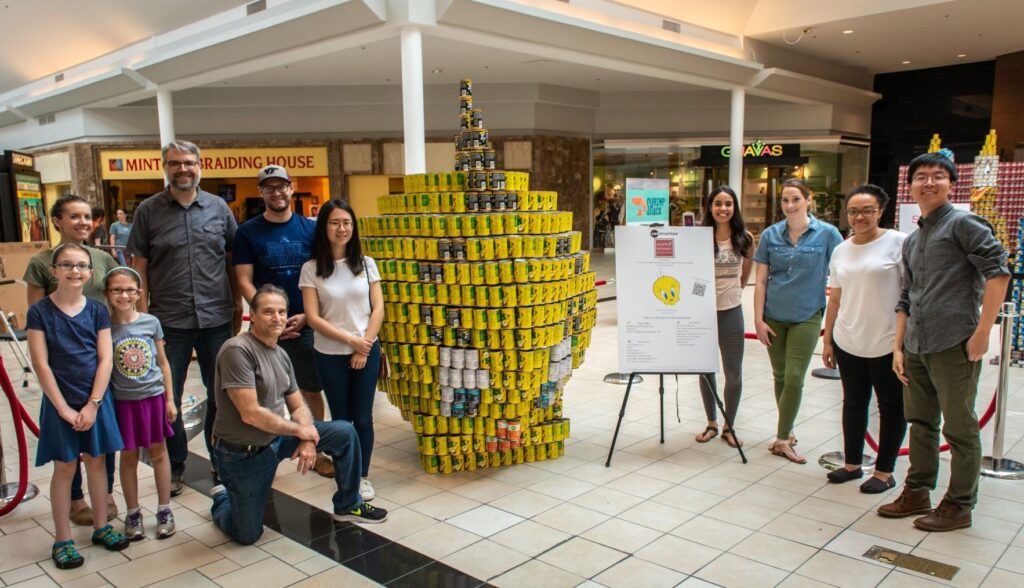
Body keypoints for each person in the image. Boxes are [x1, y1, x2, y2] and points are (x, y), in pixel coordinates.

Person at [879, 152, 1009, 531]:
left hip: (955, 342)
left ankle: (959, 504)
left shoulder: (964, 223)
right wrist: (899, 347)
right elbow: (908, 295)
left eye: (938, 176)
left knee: (959, 428)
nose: (929, 183)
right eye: (921, 177)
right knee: (920, 422)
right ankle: (917, 491)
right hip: (917, 344)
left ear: (952, 184)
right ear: (911, 185)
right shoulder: (915, 238)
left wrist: (983, 332)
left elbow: (998, 273)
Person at [209, 284, 387, 545]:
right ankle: (224, 497)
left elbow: (298, 405)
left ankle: (348, 505)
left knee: (344, 433)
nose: (277, 318)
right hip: (242, 453)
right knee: (246, 534)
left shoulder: (280, 354)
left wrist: (306, 437)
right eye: (268, 311)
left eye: (281, 311)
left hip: (275, 440)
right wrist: (299, 431)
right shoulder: (237, 350)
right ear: (253, 316)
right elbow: (250, 414)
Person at [126, 140, 243, 496]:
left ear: (199, 166)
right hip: (168, 322)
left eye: (189, 162)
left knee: (221, 395)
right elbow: (139, 267)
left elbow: (231, 260)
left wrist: (237, 306)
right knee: (168, 396)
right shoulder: (148, 211)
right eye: (175, 163)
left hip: (215, 318)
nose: (182, 169)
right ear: (165, 167)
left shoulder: (219, 208)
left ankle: (220, 462)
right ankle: (175, 465)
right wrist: (141, 317)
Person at [26, 244, 130, 569]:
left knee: (98, 462)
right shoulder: (40, 312)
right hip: (60, 404)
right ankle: (62, 539)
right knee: (65, 468)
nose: (74, 271)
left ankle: (101, 526)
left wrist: (94, 404)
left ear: (90, 273)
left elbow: (105, 359)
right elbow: (41, 364)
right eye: (67, 265)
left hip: (95, 402)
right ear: (53, 271)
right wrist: (63, 409)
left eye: (81, 266)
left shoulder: (98, 311)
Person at [23, 194, 119, 526]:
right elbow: (36, 320)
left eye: (86, 216)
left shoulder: (102, 259)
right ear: (57, 221)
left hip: (97, 361)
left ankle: (104, 497)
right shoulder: (40, 263)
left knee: (100, 444)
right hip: (63, 365)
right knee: (66, 457)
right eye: (73, 216)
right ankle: (76, 501)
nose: (82, 222)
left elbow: (115, 300)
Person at [233, 165, 333, 478]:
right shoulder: (247, 232)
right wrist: (267, 314)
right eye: (269, 187)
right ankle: (263, 455)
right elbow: (244, 279)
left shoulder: (310, 229)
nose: (276, 192)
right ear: (261, 192)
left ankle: (315, 448)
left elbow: (322, 275)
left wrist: (307, 315)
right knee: (263, 395)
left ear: (292, 188)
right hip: (264, 330)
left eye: (281, 186)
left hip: (303, 324)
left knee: (311, 391)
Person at [821, 185, 907, 493]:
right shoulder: (841, 250)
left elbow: (909, 296)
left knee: (891, 406)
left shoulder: (899, 243)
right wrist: (828, 339)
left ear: (881, 211)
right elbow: (835, 299)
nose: (860, 217)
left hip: (886, 341)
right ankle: (852, 465)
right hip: (849, 338)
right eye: (854, 211)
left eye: (867, 210)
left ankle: (885, 472)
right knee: (853, 402)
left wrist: (901, 343)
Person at [754, 178, 843, 464]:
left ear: (808, 199)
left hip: (807, 315)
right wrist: (758, 319)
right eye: (785, 200)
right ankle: (787, 431)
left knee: (794, 376)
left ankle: (781, 439)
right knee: (780, 376)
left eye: (795, 199)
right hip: (773, 317)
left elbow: (843, 276)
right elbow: (761, 281)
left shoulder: (827, 234)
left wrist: (835, 320)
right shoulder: (770, 235)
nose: (790, 205)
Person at [300, 200, 383, 502]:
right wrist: (351, 342)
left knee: (363, 418)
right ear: (324, 227)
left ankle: (361, 476)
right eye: (335, 222)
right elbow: (313, 318)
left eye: (347, 222)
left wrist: (365, 345)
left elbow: (378, 309)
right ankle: (346, 472)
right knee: (341, 420)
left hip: (367, 349)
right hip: (330, 353)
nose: (342, 228)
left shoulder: (366, 263)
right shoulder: (311, 269)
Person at [105, 267, 178, 540]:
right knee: (129, 456)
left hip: (153, 398)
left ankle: (164, 509)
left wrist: (170, 399)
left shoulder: (150, 322)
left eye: (129, 290)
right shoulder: (105, 327)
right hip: (123, 402)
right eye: (117, 290)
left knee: (159, 452)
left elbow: (163, 362)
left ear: (139, 293)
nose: (123, 295)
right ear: (107, 293)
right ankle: (133, 511)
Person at [695, 186, 752, 448]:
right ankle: (711, 423)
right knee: (706, 370)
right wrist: (700, 300)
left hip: (731, 312)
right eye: (717, 204)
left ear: (734, 207)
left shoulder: (745, 238)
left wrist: (731, 293)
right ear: (710, 207)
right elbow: (694, 276)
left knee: (734, 372)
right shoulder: (699, 238)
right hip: (703, 313)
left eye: (728, 204)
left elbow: (744, 276)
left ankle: (729, 425)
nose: (723, 209)